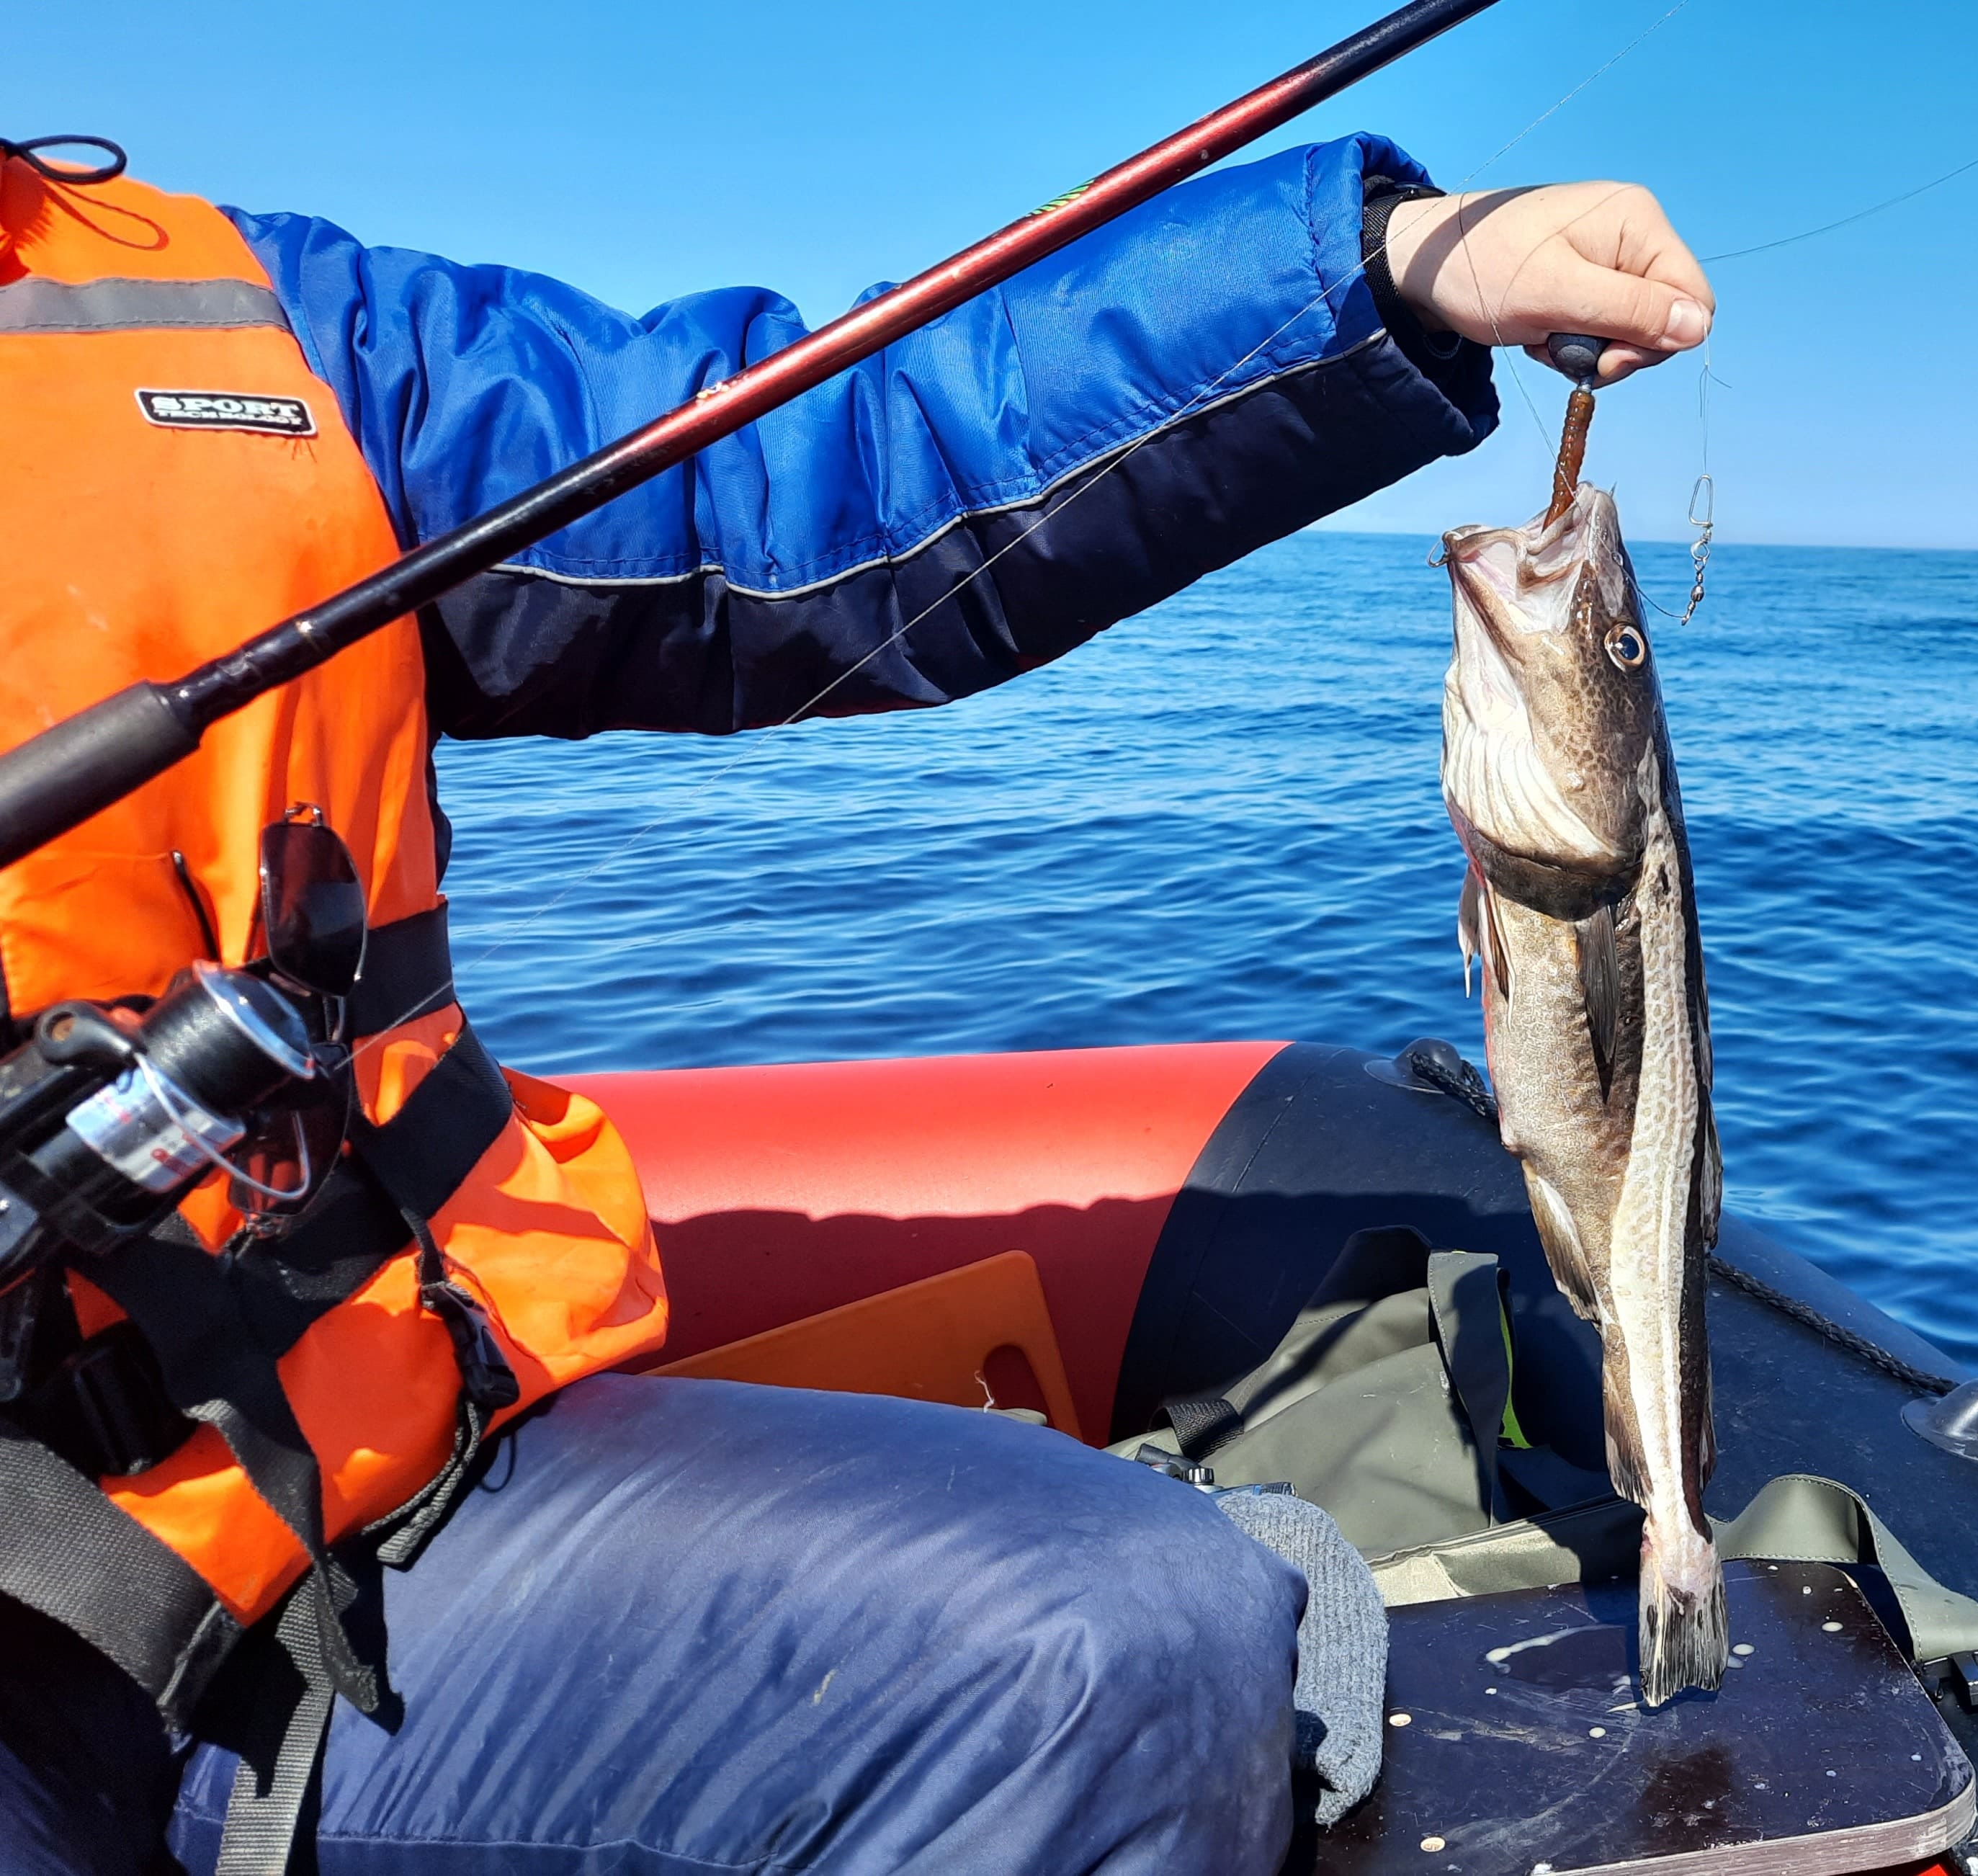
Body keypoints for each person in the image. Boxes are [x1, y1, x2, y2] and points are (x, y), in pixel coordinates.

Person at [0, 127, 1711, 1876]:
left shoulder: (249, 323)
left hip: (389, 1486)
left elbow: (801, 463)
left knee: (1130, 1635)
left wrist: (1381, 270)